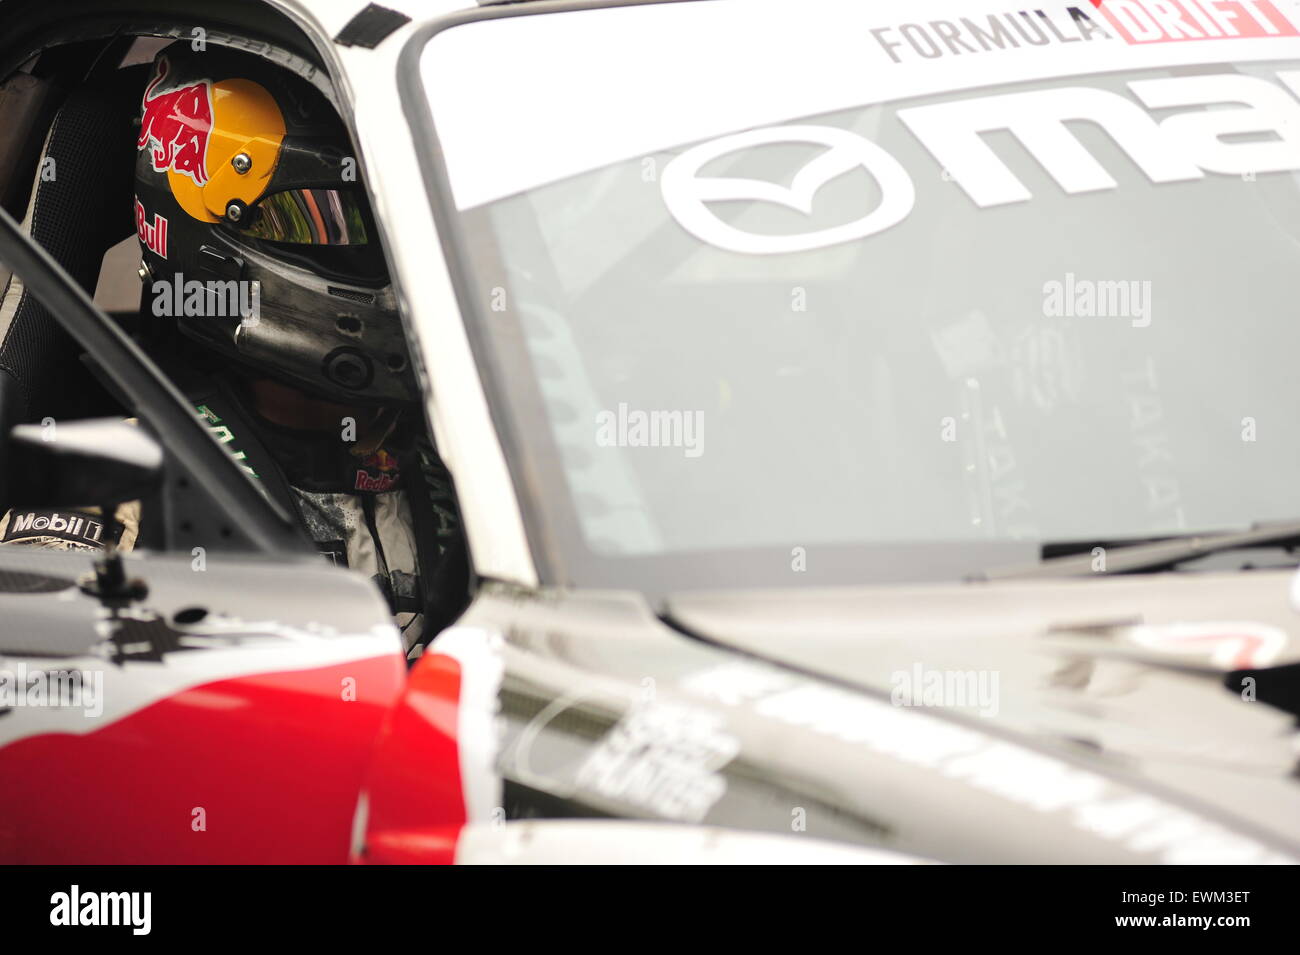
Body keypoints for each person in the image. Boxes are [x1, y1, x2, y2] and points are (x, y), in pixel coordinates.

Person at [3, 44, 466, 656]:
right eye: (319, 219)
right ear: (214, 245)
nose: (383, 255)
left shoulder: (475, 461)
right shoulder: (118, 488)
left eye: (391, 224)